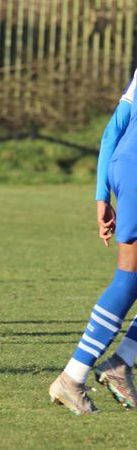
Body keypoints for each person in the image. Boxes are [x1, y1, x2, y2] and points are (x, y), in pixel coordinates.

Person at [48, 68, 137, 415]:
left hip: (124, 166)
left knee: (130, 276)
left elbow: (113, 128)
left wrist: (102, 192)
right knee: (128, 277)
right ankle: (77, 376)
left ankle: (110, 366)